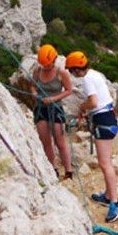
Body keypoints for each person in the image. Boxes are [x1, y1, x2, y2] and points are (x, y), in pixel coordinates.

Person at [65, 51, 118, 222]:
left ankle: (115, 201)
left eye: (71, 70)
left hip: (103, 120)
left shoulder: (87, 79)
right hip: (107, 117)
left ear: (76, 69)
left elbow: (94, 102)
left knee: (105, 164)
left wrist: (83, 107)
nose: (70, 74)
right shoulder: (94, 74)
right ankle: (108, 195)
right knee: (107, 162)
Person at [29, 44, 73, 180]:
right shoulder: (37, 71)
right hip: (41, 109)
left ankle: (68, 171)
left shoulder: (61, 73)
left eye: (48, 65)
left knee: (60, 141)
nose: (46, 67)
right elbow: (32, 85)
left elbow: (68, 90)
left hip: (56, 109)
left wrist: (53, 98)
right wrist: (34, 94)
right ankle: (53, 168)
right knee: (45, 140)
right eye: (44, 65)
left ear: (54, 61)